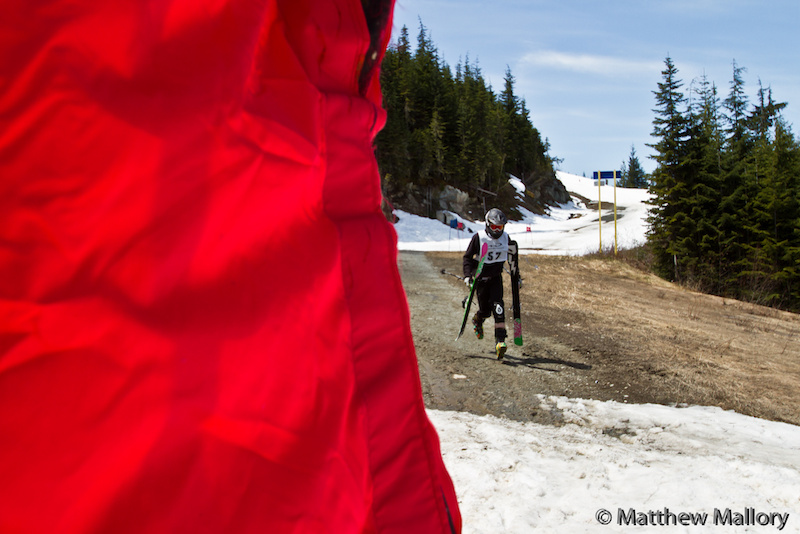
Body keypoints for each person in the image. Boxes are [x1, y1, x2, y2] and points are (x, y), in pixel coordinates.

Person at [463, 208, 520, 359]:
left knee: (498, 307)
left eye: (500, 227)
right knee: (486, 311)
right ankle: (478, 319)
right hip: (481, 280)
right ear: (488, 225)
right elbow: (468, 258)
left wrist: (517, 277)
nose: (497, 230)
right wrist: (468, 276)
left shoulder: (506, 239)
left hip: (496, 278)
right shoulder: (479, 237)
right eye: (494, 227)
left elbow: (512, 259)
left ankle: (500, 341)